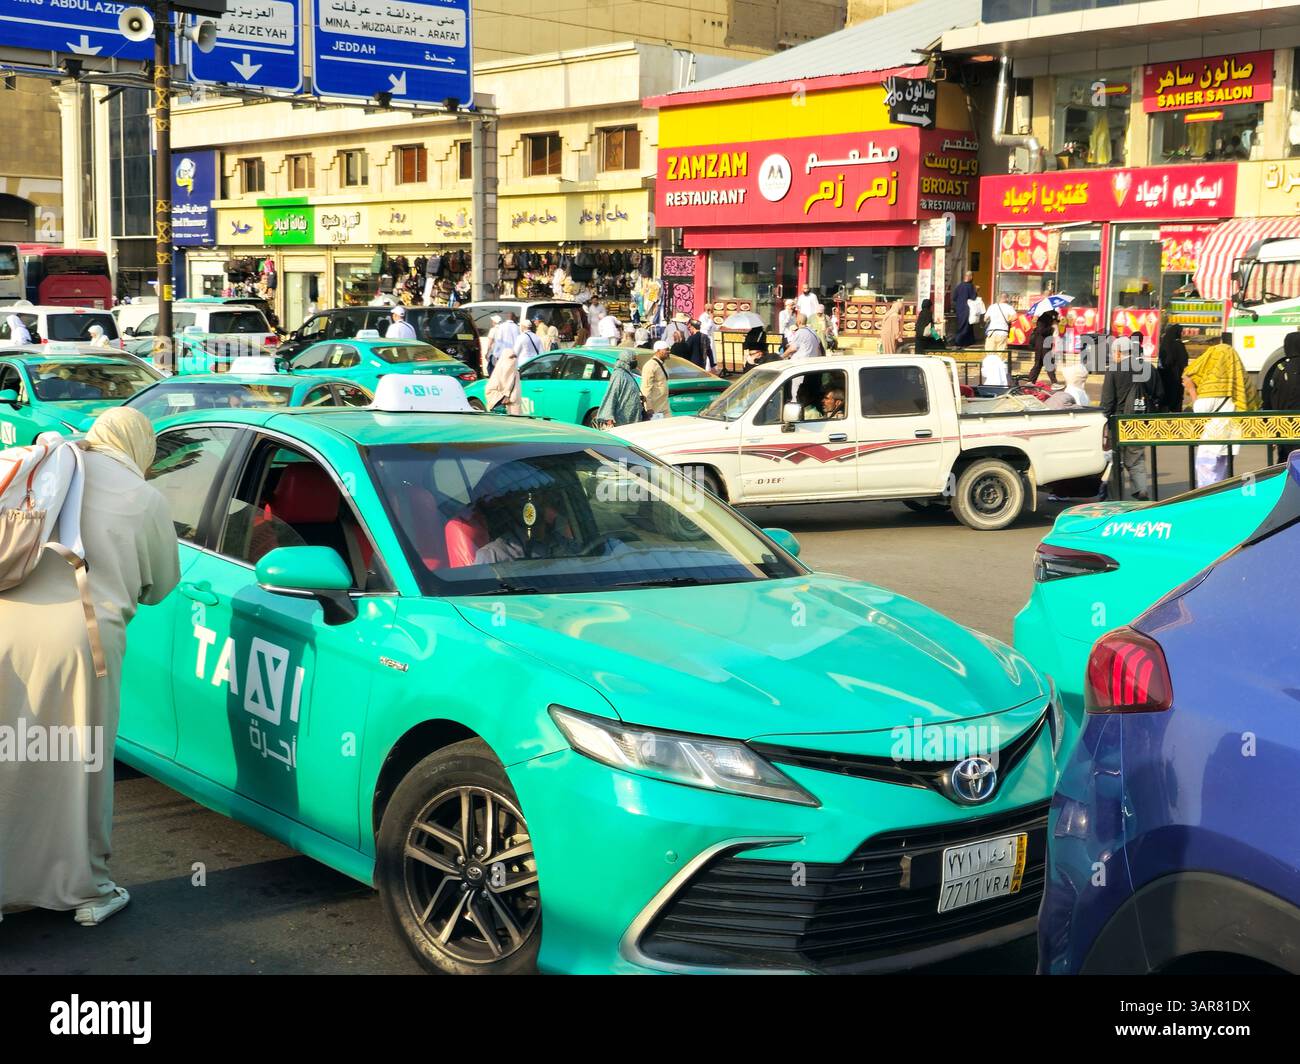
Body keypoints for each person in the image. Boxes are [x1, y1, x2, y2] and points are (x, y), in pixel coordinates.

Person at [0, 407, 180, 925]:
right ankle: (85, 889)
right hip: (80, 643)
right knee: (78, 768)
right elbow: (159, 585)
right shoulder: (143, 496)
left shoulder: (48, 467)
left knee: (11, 760)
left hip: (6, 628)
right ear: (140, 445)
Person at [1183, 341, 1260, 486]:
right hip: (1231, 438)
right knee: (1223, 481)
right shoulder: (1239, 383)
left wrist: (1191, 389)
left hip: (1213, 441)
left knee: (1208, 485)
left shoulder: (1216, 386)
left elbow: (1200, 409)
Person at [1101, 332, 1159, 500]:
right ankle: (1141, 489)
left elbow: (1107, 402)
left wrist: (1104, 422)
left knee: (1115, 459)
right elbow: (1159, 394)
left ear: (1119, 352)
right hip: (1140, 421)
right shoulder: (1147, 368)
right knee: (1136, 457)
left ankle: (1114, 495)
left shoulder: (1113, 371)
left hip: (1118, 422)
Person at [1263, 332, 1300, 459]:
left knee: (1287, 466)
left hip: (1285, 428)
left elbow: (1268, 399)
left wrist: (1269, 427)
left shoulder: (1281, 369)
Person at [595, 350, 645, 429]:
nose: (635, 361)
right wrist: (608, 418)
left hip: (631, 418)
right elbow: (612, 395)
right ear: (627, 360)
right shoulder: (619, 375)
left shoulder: (627, 373)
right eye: (634, 359)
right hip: (622, 420)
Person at [1157, 323, 1190, 413]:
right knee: (1176, 400)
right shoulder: (1178, 345)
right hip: (1176, 377)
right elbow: (1184, 361)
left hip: (1164, 376)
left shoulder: (1164, 343)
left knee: (1165, 398)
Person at [484, 345, 522, 415]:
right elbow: (489, 391)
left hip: (515, 407)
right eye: (511, 357)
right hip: (503, 409)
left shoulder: (516, 373)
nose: (513, 359)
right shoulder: (498, 372)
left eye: (515, 357)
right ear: (504, 358)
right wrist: (503, 397)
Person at [641, 341, 672, 419]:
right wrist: (649, 408)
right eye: (666, 350)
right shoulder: (650, 366)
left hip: (664, 406)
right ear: (658, 351)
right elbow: (646, 388)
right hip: (656, 409)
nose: (669, 352)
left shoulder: (662, 364)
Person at [1028, 310, 1059, 383]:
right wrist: (1052, 328)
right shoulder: (1043, 318)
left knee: (1039, 364)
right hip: (1042, 344)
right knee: (1044, 363)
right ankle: (1054, 382)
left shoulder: (1049, 317)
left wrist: (1056, 320)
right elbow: (1041, 331)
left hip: (1045, 344)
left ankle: (1031, 381)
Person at [952, 271, 978, 347]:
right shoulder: (970, 286)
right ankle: (958, 341)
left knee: (963, 325)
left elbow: (954, 298)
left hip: (959, 309)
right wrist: (976, 291)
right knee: (965, 326)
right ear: (971, 277)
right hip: (967, 309)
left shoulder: (959, 286)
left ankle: (968, 341)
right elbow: (973, 298)